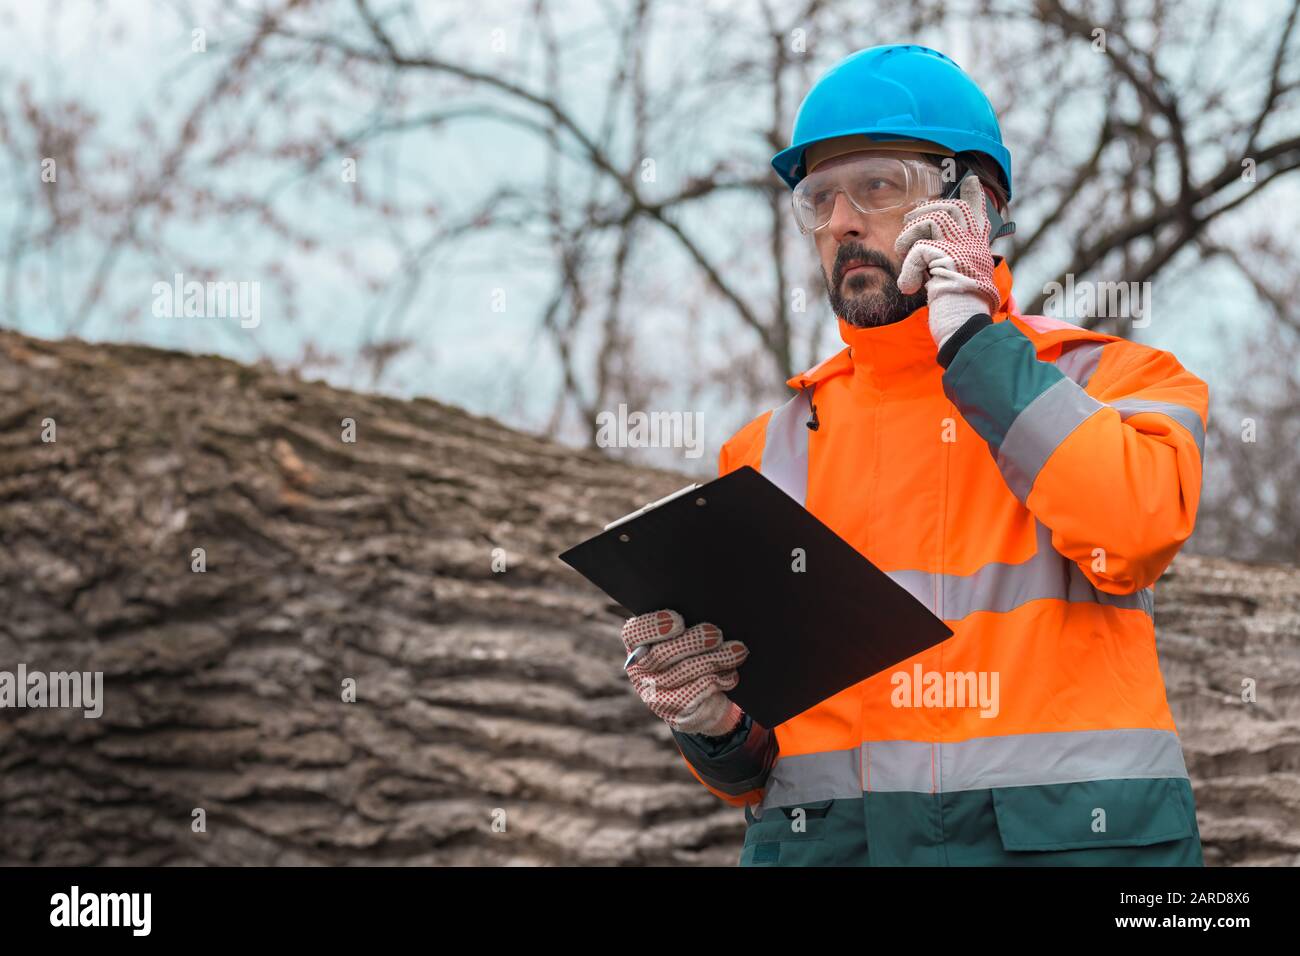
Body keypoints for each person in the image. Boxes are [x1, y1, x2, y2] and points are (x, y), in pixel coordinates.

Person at [619, 44, 1208, 866]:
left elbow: (1135, 530)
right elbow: (761, 775)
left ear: (978, 203)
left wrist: (977, 344)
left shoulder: (1114, 379)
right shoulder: (764, 452)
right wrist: (716, 728)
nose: (844, 222)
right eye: (819, 198)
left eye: (878, 185)